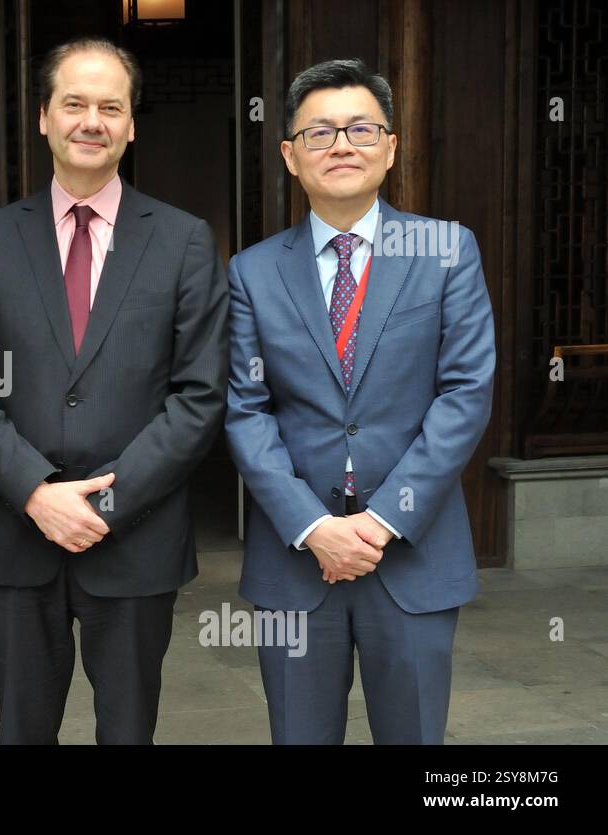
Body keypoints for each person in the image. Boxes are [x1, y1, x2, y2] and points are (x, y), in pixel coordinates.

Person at [0, 37, 229, 744]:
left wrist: (106, 501)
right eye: (74, 103)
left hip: (135, 538)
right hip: (20, 532)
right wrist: (38, 494)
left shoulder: (185, 240)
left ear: (132, 124)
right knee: (23, 730)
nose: (91, 120)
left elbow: (199, 395)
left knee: (129, 731)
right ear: (44, 116)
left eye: (111, 106)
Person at [224, 58, 495, 744]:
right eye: (318, 133)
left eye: (360, 129)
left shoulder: (446, 250)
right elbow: (245, 410)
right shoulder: (253, 271)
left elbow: (464, 394)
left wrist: (377, 522)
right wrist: (315, 526)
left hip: (412, 555)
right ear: (290, 154)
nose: (341, 145)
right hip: (295, 562)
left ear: (391, 146)